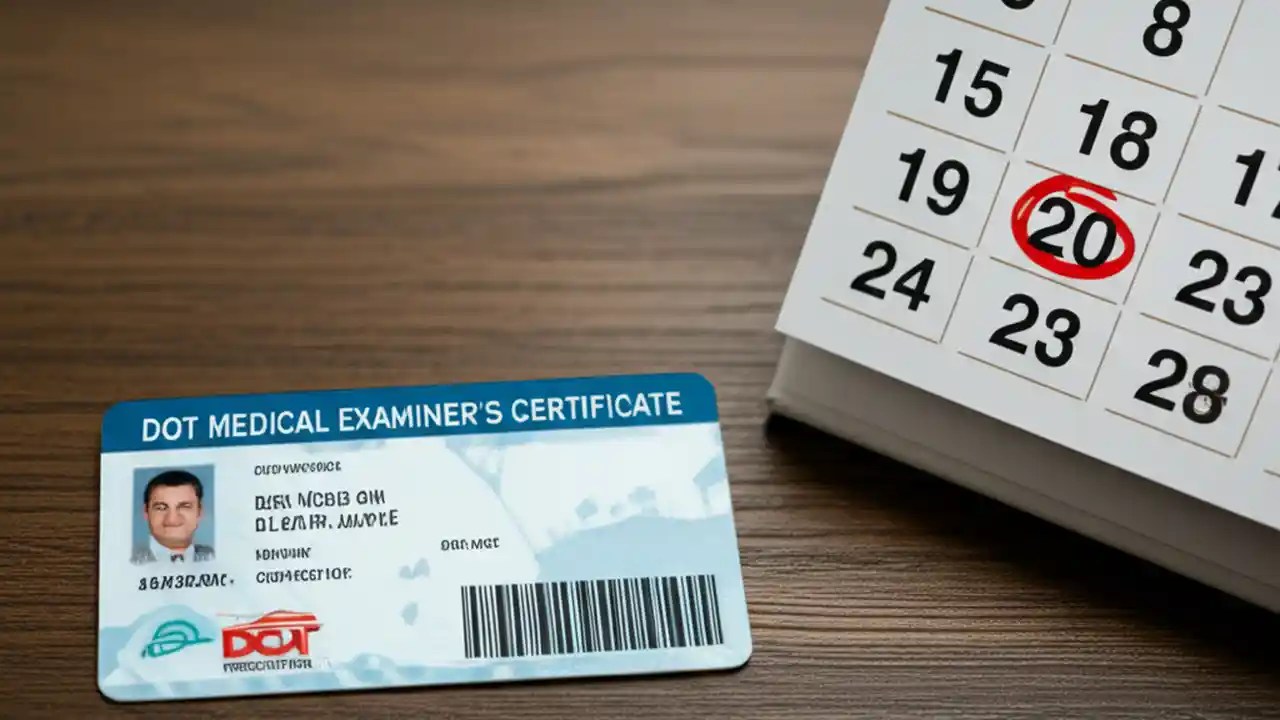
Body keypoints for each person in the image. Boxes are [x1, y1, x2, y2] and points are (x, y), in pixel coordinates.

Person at [131, 469, 215, 565]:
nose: (172, 519)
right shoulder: (124, 561)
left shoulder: (215, 557)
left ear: (199, 512)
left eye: (184, 507)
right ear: (146, 512)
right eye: (161, 508)